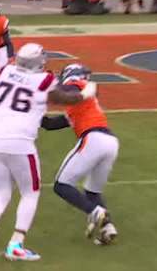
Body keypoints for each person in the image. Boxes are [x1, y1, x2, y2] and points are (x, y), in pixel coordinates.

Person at [0, 43, 56, 261]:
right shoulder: (45, 79)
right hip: (21, 143)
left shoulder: (5, 71)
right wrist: (85, 91)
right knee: (30, 192)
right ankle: (16, 244)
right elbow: (60, 93)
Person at [46, 63, 120, 246]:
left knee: (61, 185)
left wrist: (49, 86)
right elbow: (50, 124)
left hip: (93, 138)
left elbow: (68, 90)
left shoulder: (75, 84)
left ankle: (96, 213)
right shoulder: (84, 102)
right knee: (92, 191)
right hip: (110, 142)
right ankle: (108, 228)